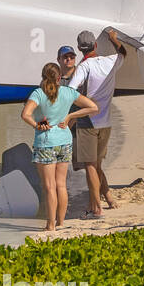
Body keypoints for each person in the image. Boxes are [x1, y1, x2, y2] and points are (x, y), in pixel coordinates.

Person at [21, 63, 97, 232]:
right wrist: (70, 115)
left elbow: (25, 115)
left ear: (43, 77)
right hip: (64, 141)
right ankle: (61, 222)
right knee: (61, 185)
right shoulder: (68, 92)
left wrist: (37, 125)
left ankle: (50, 225)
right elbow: (93, 107)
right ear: (59, 78)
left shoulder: (38, 93)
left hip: (46, 142)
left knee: (49, 186)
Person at [68, 28, 128, 216]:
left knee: (90, 166)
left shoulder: (84, 67)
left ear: (79, 49)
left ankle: (95, 206)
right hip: (106, 123)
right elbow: (123, 53)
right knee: (98, 165)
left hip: (88, 123)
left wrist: (72, 113)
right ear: (95, 45)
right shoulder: (110, 61)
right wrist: (113, 39)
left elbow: (70, 91)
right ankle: (109, 199)